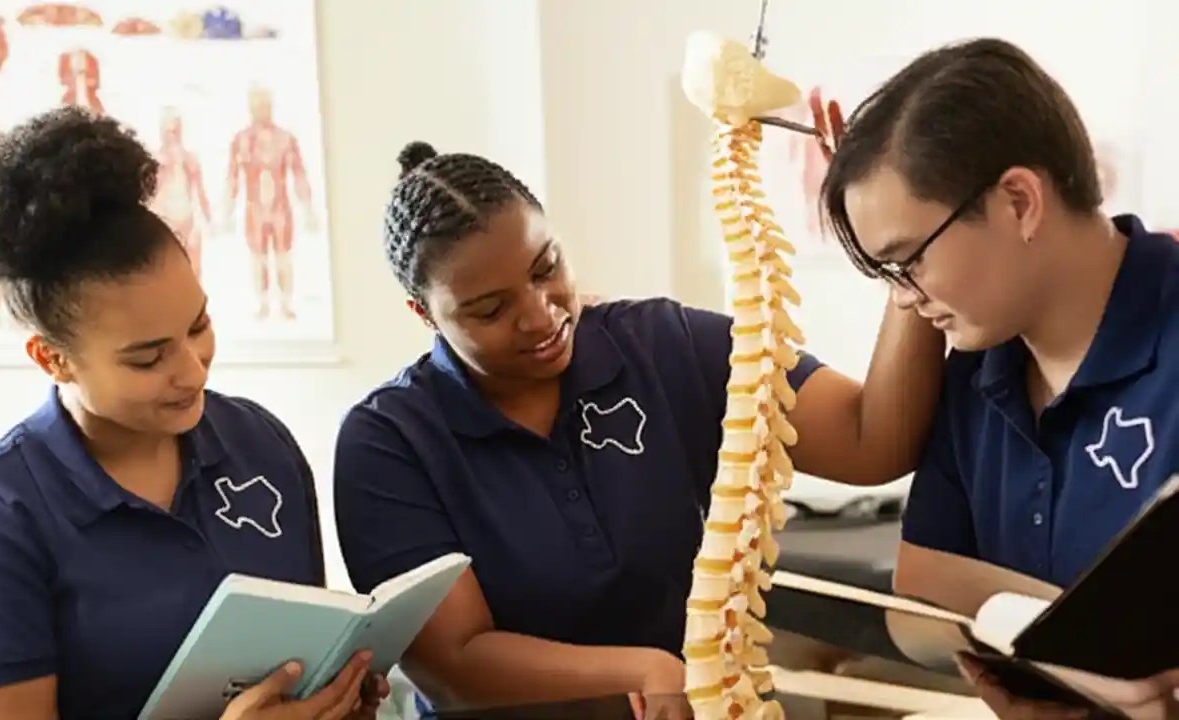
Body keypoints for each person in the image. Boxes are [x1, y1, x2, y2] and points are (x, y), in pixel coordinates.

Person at [332, 136, 947, 712]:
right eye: (491, 310)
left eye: (546, 269)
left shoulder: (665, 345)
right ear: (425, 314)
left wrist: (906, 249)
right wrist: (644, 671)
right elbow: (454, 665)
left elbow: (873, 440)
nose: (541, 315)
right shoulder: (388, 443)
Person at [0, 107, 385, 720]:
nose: (193, 371)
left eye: (199, 326)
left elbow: (300, 654)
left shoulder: (259, 443)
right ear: (52, 358)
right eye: (147, 358)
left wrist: (337, 696)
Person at [819, 37, 1179, 717]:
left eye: (909, 260)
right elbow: (917, 598)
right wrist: (1068, 658)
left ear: (1019, 201)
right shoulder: (977, 367)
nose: (903, 299)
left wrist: (1003, 618)